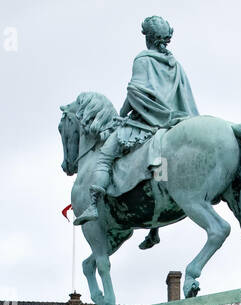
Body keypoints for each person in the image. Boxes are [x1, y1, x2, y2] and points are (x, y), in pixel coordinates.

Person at [73, 15, 198, 230]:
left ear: (147, 37)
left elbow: (135, 91)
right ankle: (154, 229)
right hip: (176, 119)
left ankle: (93, 205)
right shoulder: (173, 63)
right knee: (159, 169)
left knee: (104, 157)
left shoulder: (143, 59)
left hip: (147, 121)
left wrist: (120, 115)